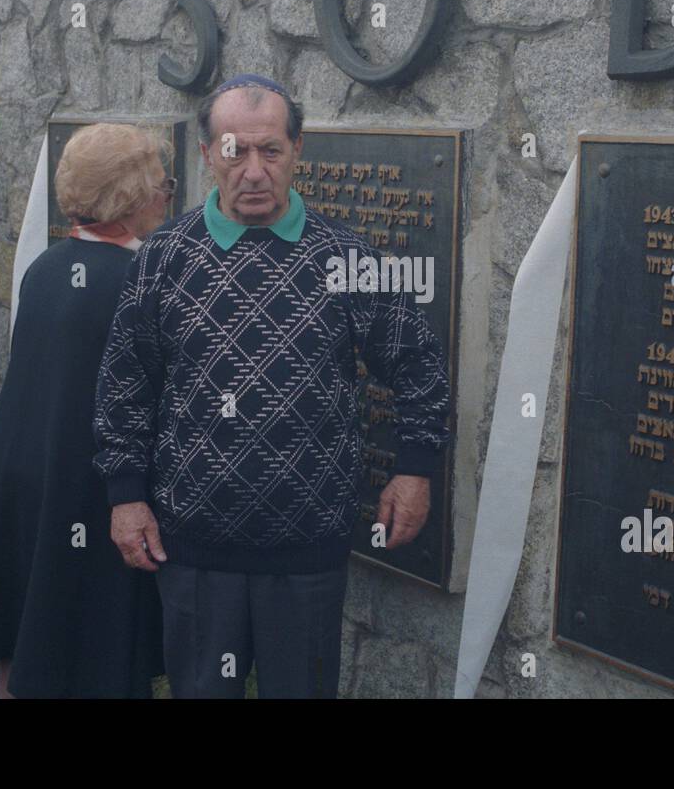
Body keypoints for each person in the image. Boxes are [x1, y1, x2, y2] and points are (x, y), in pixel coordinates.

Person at [95, 74, 451, 699]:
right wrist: (125, 497)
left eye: (271, 151)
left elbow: (418, 364)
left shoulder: (350, 260)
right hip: (194, 549)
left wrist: (415, 469)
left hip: (309, 550)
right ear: (208, 155)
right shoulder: (162, 259)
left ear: (297, 151)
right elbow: (124, 388)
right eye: (234, 151)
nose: (253, 171)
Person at [0, 123, 172, 698]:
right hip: (84, 482)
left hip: (22, 469)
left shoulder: (48, 266)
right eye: (160, 183)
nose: (167, 193)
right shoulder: (137, 280)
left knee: (28, 629)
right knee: (90, 641)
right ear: (132, 195)